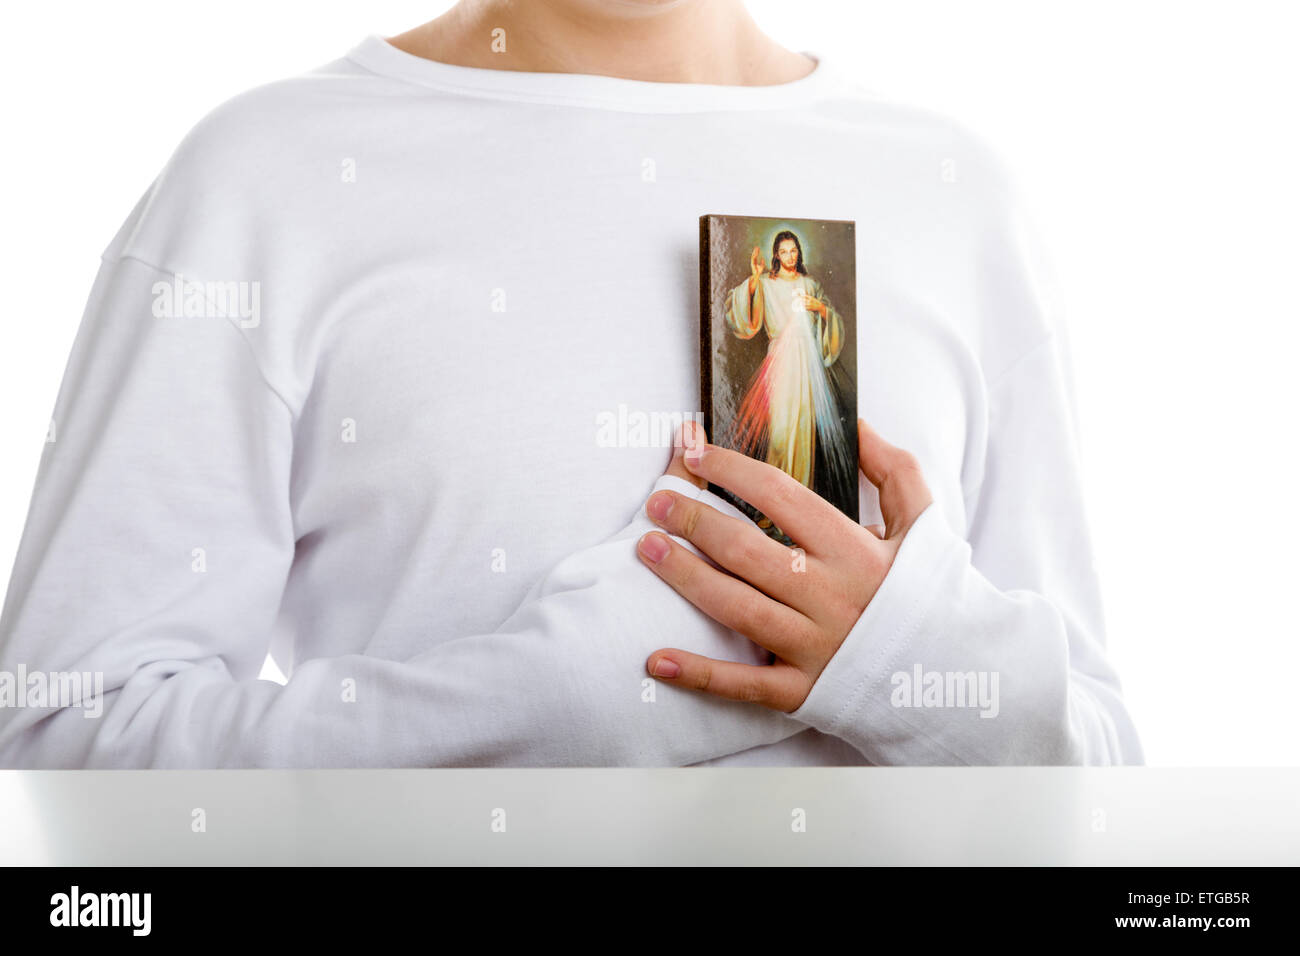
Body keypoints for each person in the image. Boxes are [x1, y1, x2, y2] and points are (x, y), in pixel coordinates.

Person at [0, 0, 1143, 767]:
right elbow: (55, 736)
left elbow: (1106, 765)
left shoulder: (958, 196)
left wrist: (917, 661)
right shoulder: (263, 181)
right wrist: (528, 711)